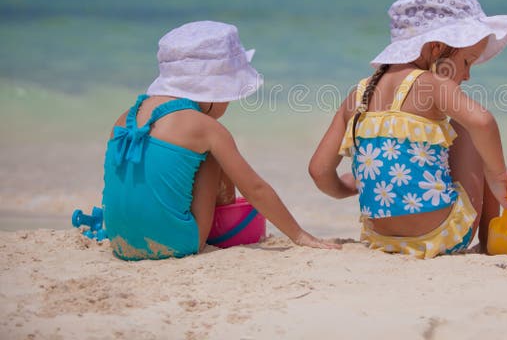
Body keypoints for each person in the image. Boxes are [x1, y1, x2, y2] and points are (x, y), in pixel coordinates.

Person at [309, 0, 507, 258]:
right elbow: (483, 122)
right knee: (467, 127)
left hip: (382, 237)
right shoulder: (432, 84)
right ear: (437, 48)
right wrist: (498, 177)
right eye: (467, 61)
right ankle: (489, 243)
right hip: (442, 234)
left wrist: (349, 186)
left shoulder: (358, 94)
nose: (467, 75)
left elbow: (319, 171)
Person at [102, 20, 338, 260]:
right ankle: (222, 228)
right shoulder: (206, 128)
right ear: (214, 87)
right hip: (173, 242)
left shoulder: (125, 118)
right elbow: (255, 189)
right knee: (212, 153)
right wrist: (299, 235)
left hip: (118, 241)